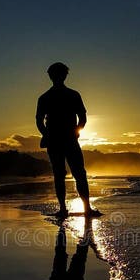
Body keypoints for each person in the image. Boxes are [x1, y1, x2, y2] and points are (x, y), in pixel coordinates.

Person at [35, 62, 101, 219]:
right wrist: (76, 131)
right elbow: (83, 118)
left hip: (59, 140)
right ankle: (85, 209)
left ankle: (65, 209)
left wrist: (47, 134)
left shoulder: (46, 97)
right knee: (78, 174)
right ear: (63, 75)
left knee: (61, 174)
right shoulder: (71, 95)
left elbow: (39, 121)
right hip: (66, 140)